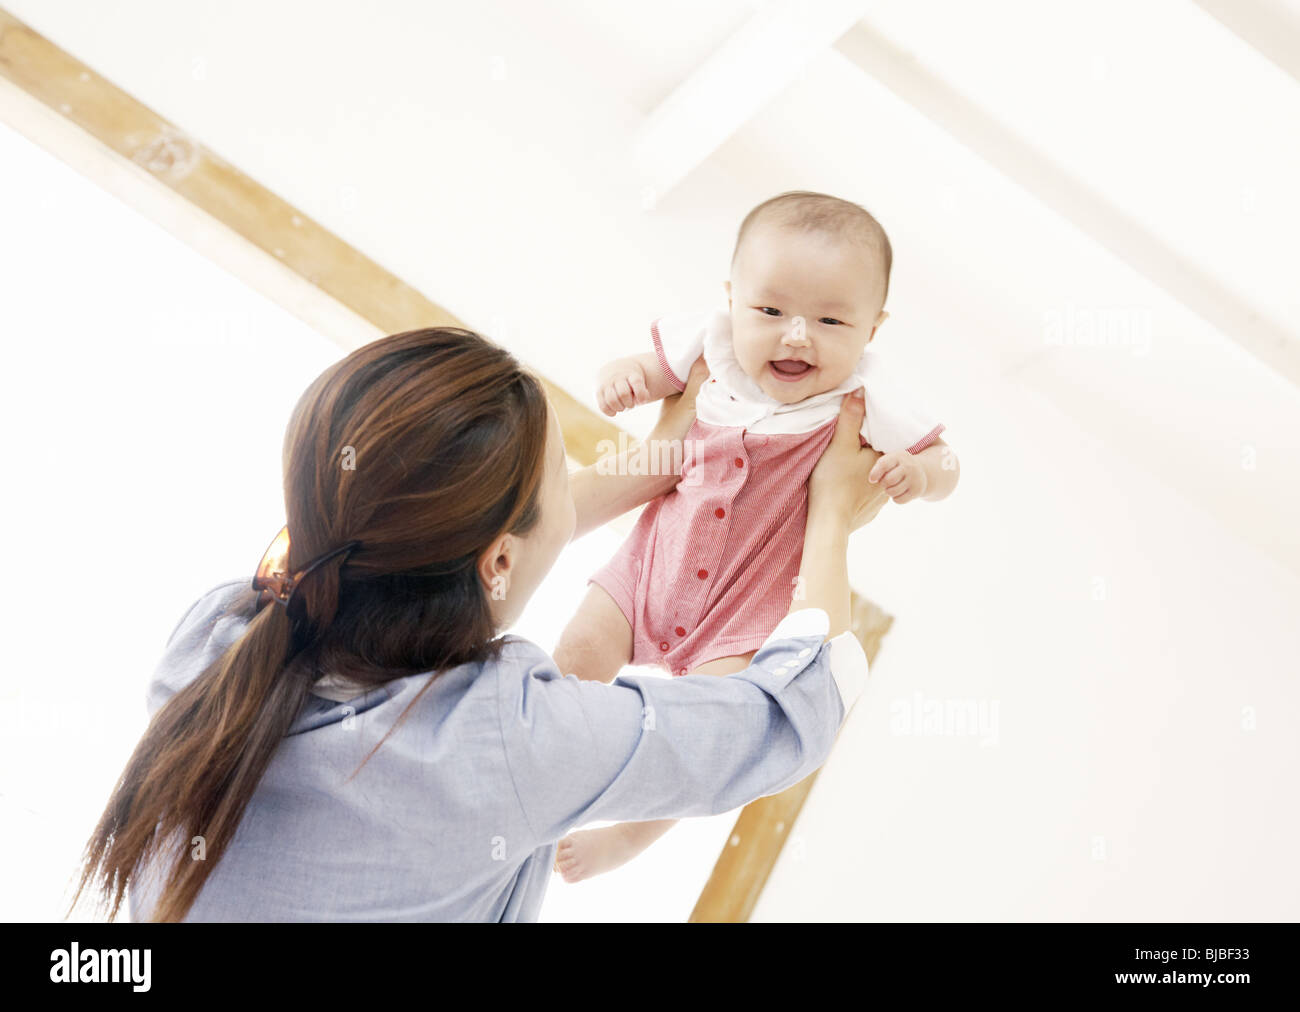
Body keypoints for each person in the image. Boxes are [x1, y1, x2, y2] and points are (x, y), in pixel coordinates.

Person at [67, 324, 888, 922]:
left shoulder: (220, 633)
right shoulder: (505, 740)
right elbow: (786, 718)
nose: (577, 491)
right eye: (566, 478)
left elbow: (433, 536)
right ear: (497, 561)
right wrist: (830, 516)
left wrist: (664, 458)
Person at [553, 191, 960, 881]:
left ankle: (626, 840)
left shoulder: (866, 396)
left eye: (832, 320)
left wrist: (918, 474)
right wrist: (620, 377)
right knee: (575, 653)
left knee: (701, 736)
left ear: (872, 328)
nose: (797, 336)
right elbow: (645, 370)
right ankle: (547, 760)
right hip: (649, 569)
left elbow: (948, 465)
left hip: (748, 617)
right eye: (770, 311)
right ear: (731, 297)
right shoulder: (709, 344)